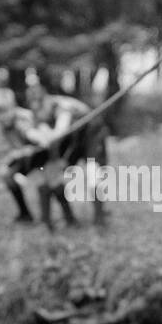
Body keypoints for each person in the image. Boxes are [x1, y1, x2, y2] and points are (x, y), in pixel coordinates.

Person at [24, 76, 108, 230]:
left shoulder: (62, 106)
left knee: (93, 173)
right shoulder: (37, 113)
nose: (38, 110)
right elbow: (42, 134)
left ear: (46, 99)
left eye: (39, 105)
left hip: (91, 133)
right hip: (72, 139)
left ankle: (100, 218)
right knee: (53, 173)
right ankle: (66, 219)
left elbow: (59, 132)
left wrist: (46, 136)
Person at [0, 87, 49, 223]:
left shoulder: (25, 117)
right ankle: (25, 213)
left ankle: (48, 217)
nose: (2, 116)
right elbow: (2, 147)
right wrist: (5, 162)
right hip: (18, 157)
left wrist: (34, 138)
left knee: (44, 180)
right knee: (6, 176)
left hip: (38, 155)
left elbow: (36, 138)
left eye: (5, 111)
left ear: (13, 106)